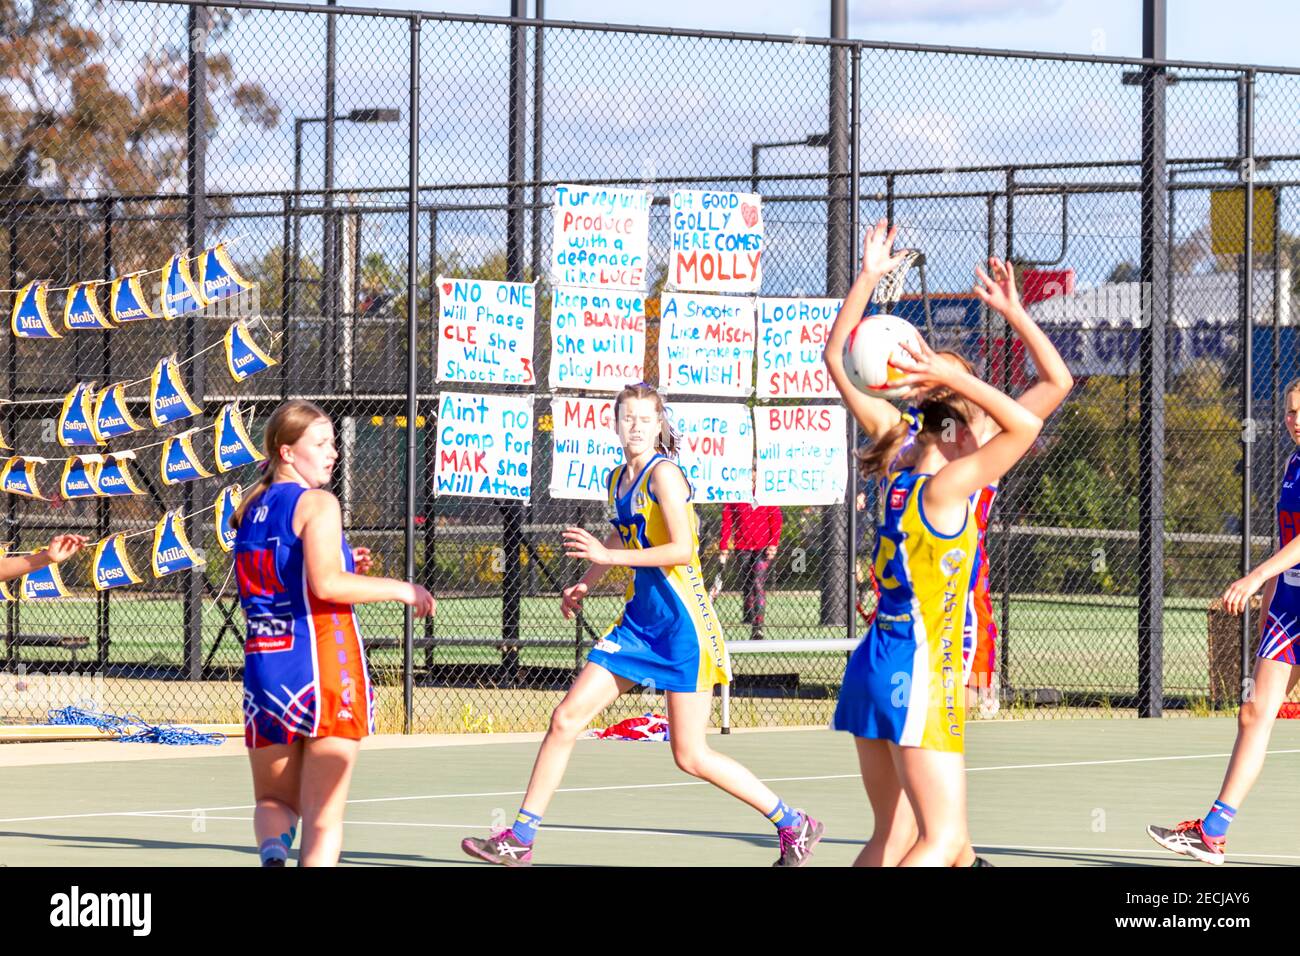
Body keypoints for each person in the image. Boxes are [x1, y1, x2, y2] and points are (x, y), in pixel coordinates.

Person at [461, 382, 825, 867]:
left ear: (659, 425)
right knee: (565, 719)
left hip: (683, 630)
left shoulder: (665, 476)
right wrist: (588, 581)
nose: (634, 426)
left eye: (644, 419)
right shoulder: (618, 479)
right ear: (614, 424)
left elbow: (682, 550)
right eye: (626, 417)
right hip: (637, 625)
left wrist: (609, 555)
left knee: (690, 756)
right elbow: (622, 531)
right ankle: (520, 839)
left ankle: (792, 823)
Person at [824, 220, 1043, 867]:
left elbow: (836, 358)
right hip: (922, 666)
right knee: (940, 840)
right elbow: (1031, 415)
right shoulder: (954, 481)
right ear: (965, 412)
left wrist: (869, 276)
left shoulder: (898, 445)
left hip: (872, 658)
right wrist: (963, 368)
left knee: (897, 838)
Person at [230, 399, 436, 866]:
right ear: (287, 452)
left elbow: (290, 574)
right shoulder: (317, 502)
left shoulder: (250, 507)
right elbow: (326, 585)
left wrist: (347, 561)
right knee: (324, 817)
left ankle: (272, 851)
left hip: (265, 668)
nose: (333, 453)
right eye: (321, 443)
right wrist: (403, 589)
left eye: (333, 444)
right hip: (322, 665)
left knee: (274, 803)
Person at [1147, 377, 1300, 866]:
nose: (1296, 421)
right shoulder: (1293, 464)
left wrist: (1254, 577)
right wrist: (1267, 606)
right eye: (1291, 412)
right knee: (1254, 713)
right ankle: (1211, 833)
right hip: (1290, 609)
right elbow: (1286, 541)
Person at [718, 496, 783, 639]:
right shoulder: (734, 494)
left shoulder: (766, 492)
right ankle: (748, 614)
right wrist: (724, 546)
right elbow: (727, 520)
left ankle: (758, 627)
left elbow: (776, 518)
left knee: (758, 583)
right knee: (747, 581)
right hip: (742, 547)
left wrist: (773, 543)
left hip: (763, 547)